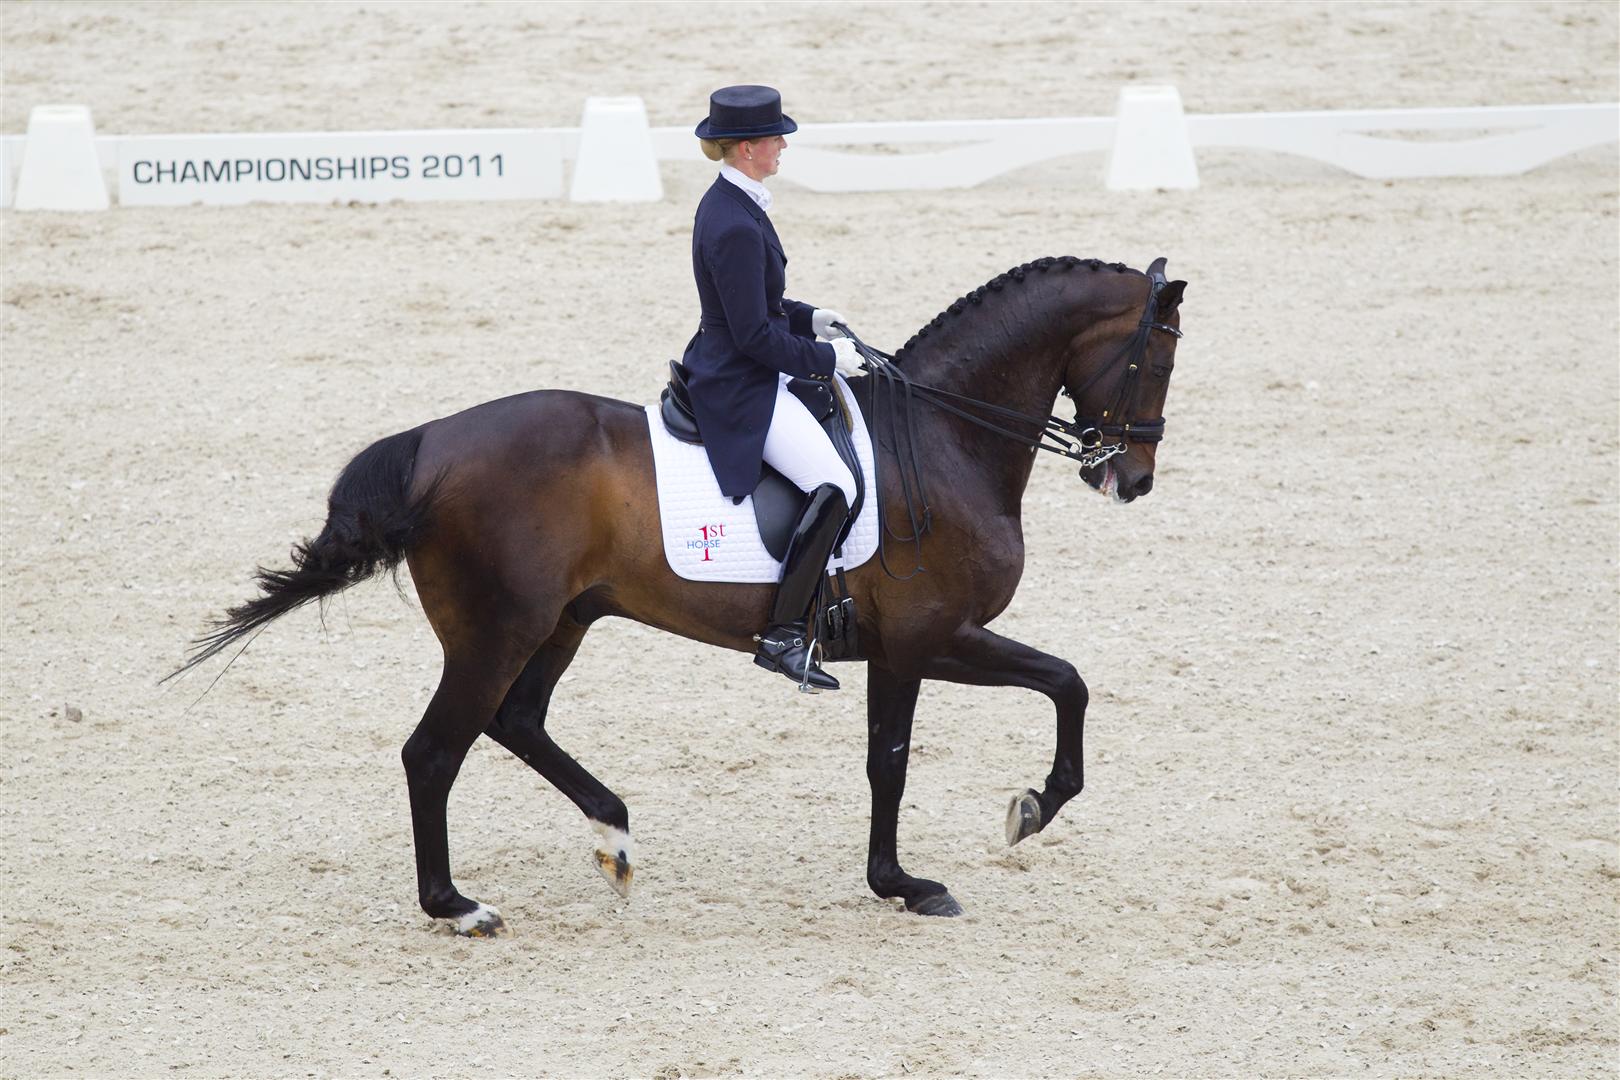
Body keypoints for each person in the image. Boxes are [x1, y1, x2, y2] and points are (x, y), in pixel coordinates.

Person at [682, 84, 865, 691]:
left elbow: (761, 302)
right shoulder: (733, 223)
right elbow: (754, 338)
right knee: (834, 481)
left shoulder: (737, 203)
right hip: (739, 381)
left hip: (742, 357)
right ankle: (783, 634)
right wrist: (826, 358)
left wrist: (808, 316)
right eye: (774, 137)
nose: (783, 144)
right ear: (745, 147)